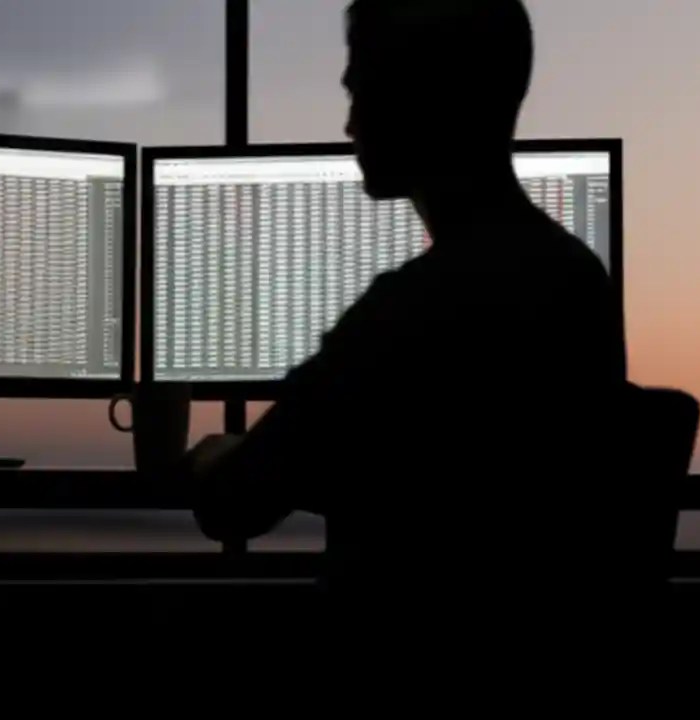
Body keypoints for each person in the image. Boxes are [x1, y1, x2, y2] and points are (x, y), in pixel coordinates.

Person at [186, 0, 630, 634]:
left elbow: (236, 504)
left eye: (360, 90)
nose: (349, 123)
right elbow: (465, 489)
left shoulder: (411, 309)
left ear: (418, 98)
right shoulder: (578, 279)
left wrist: (211, 455)